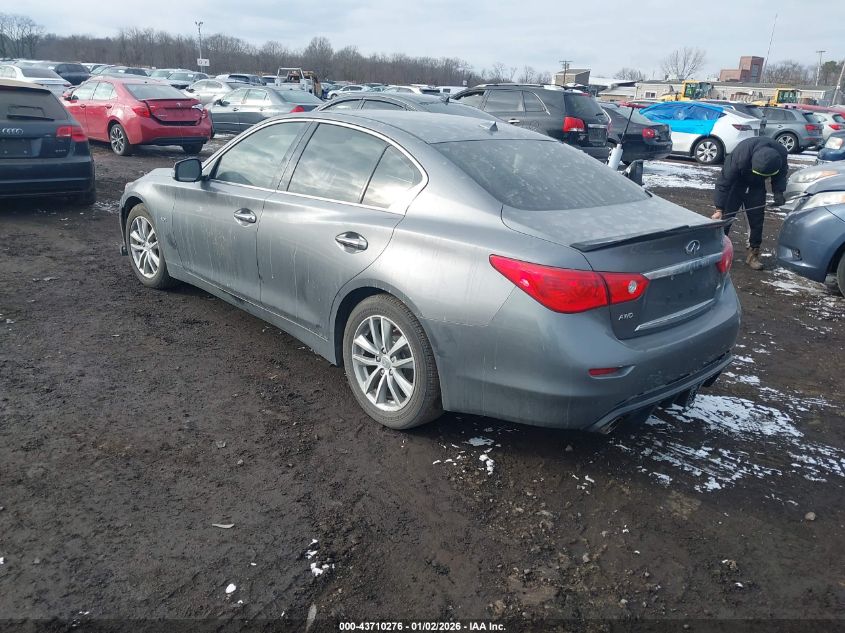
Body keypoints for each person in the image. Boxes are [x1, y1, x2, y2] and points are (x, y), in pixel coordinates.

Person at [711, 136, 788, 270]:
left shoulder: (780, 154)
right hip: (736, 182)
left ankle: (753, 254)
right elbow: (724, 182)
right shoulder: (741, 154)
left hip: (756, 186)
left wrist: (778, 193)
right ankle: (718, 251)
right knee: (726, 218)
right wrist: (719, 208)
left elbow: (781, 175)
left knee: (756, 220)